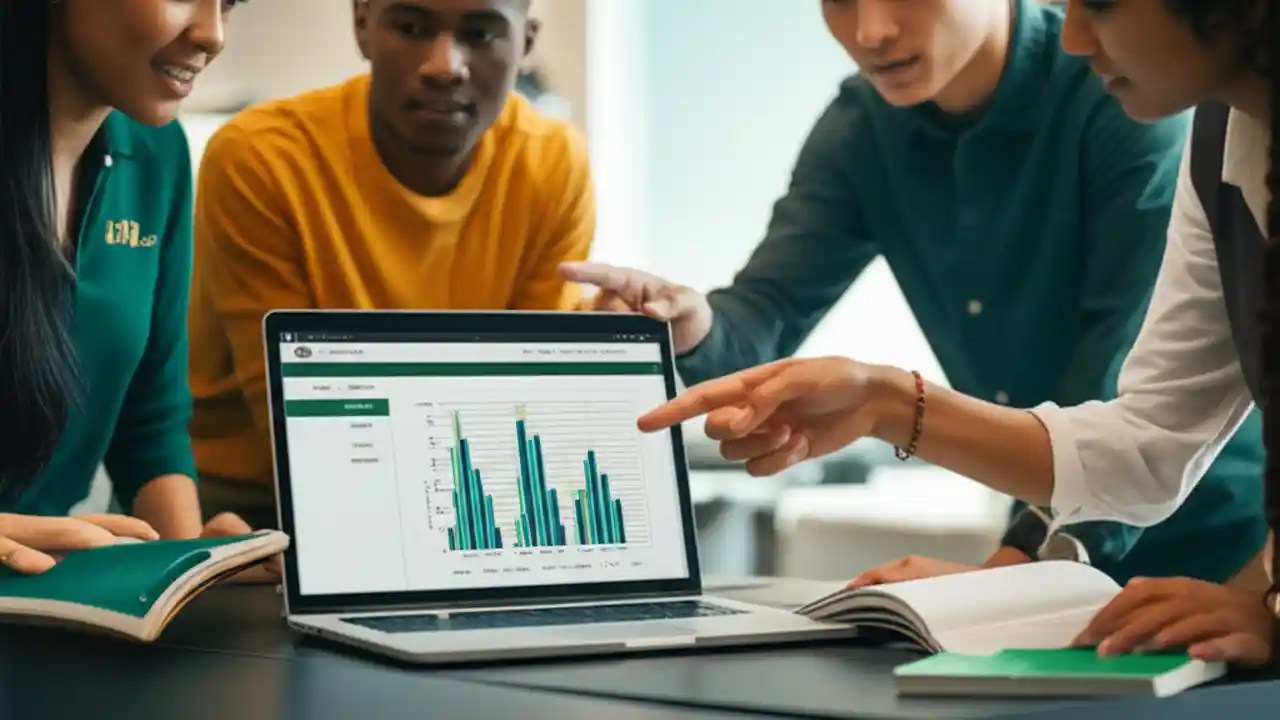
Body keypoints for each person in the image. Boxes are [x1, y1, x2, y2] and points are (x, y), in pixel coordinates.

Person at [638, 0, 1280, 669]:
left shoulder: (1131, 111)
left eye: (1099, 4)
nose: (871, 31)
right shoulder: (1215, 140)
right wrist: (878, 401)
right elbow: (1144, 442)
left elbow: (1121, 410)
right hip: (1159, 588)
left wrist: (1012, 576)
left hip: (1223, 551)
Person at [188, 0, 596, 530]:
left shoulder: (553, 164)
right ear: (362, 24)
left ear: (528, 44)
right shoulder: (262, 157)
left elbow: (527, 405)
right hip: (247, 504)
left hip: (466, 495)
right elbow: (300, 427)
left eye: (480, 33)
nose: (444, 65)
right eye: (410, 27)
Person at [0, 0, 258, 574]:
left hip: (50, 602)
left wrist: (189, 566)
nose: (212, 34)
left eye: (230, 4)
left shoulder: (155, 151)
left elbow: (151, 421)